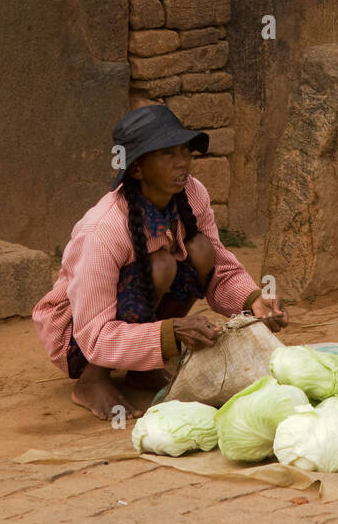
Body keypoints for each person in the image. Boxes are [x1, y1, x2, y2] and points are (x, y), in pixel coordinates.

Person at [33, 104, 288, 421]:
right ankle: (91, 380)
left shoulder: (193, 194)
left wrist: (255, 301)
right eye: (167, 154)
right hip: (78, 336)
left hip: (123, 321)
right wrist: (171, 332)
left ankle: (143, 368)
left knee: (201, 250)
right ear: (137, 169)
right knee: (161, 266)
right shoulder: (102, 230)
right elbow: (94, 335)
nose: (182, 162)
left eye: (185, 150)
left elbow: (219, 267)